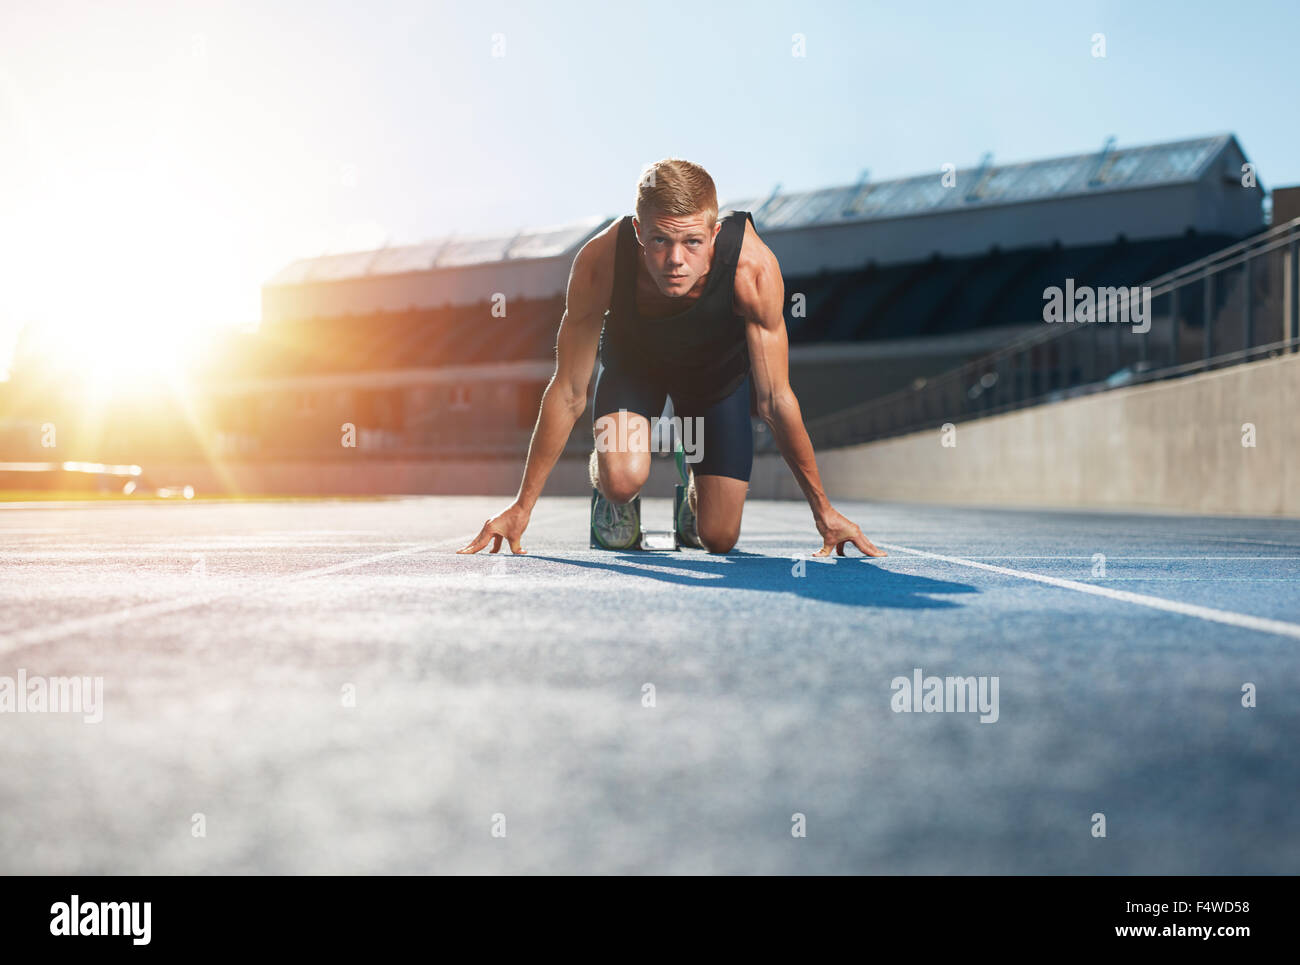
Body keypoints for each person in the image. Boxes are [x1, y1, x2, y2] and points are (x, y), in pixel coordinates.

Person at [458, 158, 885, 558]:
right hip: (634, 366)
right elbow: (569, 390)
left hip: (714, 379)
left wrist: (823, 511)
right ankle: (610, 490)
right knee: (623, 480)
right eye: (660, 240)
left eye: (692, 242)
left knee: (718, 537)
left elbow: (776, 399)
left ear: (715, 234)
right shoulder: (599, 263)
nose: (675, 260)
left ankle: (693, 485)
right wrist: (521, 506)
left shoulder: (752, 270)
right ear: (638, 231)